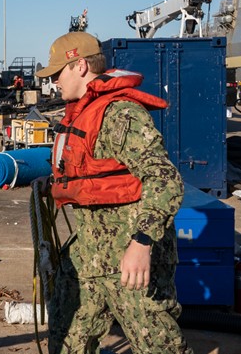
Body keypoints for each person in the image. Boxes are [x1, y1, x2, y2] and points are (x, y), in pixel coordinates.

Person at [36, 32, 191, 354]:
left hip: (129, 260)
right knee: (66, 339)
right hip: (89, 257)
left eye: (57, 74)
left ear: (79, 66)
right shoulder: (82, 111)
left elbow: (164, 179)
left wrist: (142, 243)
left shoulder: (121, 114)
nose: (53, 83)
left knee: (159, 347)